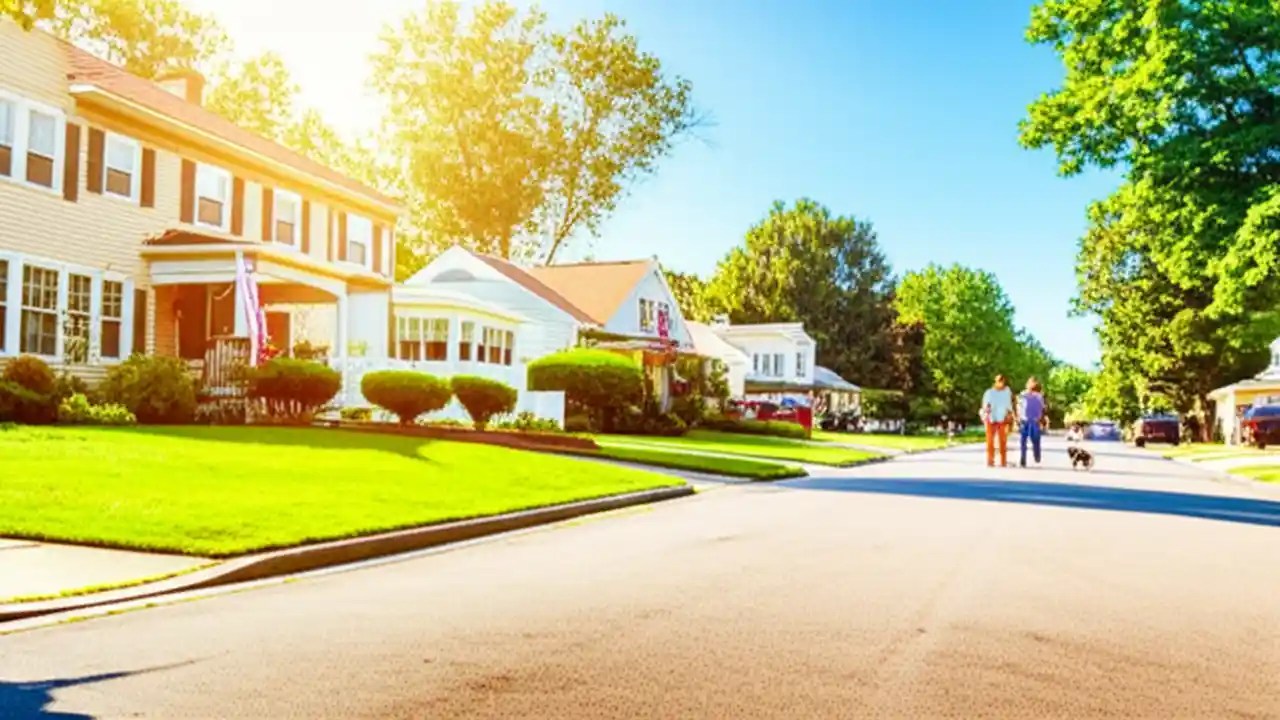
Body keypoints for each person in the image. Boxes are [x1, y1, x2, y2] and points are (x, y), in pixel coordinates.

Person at [981, 374, 1016, 467]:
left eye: (1002, 381)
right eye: (999, 381)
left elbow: (1009, 405)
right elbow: (985, 405)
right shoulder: (989, 392)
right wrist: (986, 411)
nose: (1001, 383)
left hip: (1002, 418)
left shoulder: (1007, 391)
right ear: (996, 382)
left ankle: (1003, 461)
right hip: (991, 418)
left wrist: (1010, 415)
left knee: (1002, 440)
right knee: (990, 441)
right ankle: (990, 460)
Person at [1018, 377, 1047, 467]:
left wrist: (1018, 417)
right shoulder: (1028, 395)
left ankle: (1028, 456)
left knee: (1027, 440)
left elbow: (1019, 407)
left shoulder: (1027, 395)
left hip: (1029, 420)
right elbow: (1042, 409)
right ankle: (1033, 456)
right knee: (1033, 440)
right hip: (1030, 420)